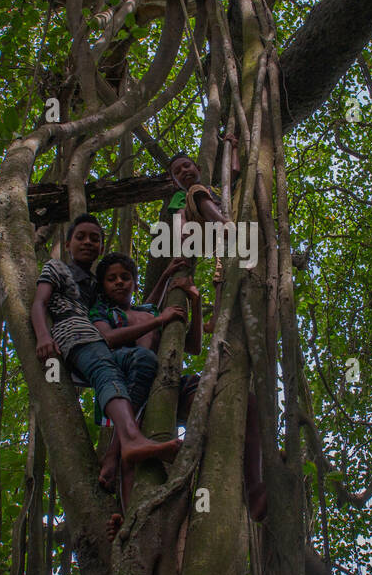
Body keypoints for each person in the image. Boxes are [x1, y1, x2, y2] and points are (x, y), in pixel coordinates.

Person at [91, 250, 267, 526]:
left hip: (168, 383)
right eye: (111, 279)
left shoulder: (146, 312)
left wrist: (194, 300)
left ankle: (253, 486)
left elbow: (193, 346)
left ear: (135, 284)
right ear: (102, 286)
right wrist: (160, 320)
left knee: (247, 401)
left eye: (125, 277)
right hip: (126, 387)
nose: (119, 282)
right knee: (134, 463)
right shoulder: (104, 312)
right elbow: (108, 339)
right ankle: (127, 521)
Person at [30, 214, 180, 482]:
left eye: (95, 239)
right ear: (67, 244)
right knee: (105, 370)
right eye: (81, 237)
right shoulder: (57, 268)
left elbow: (137, 309)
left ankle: (116, 452)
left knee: (143, 360)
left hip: (97, 343)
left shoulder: (98, 289)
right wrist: (43, 337)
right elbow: (40, 302)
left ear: (101, 247)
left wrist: (166, 276)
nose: (88, 242)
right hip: (73, 335)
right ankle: (132, 440)